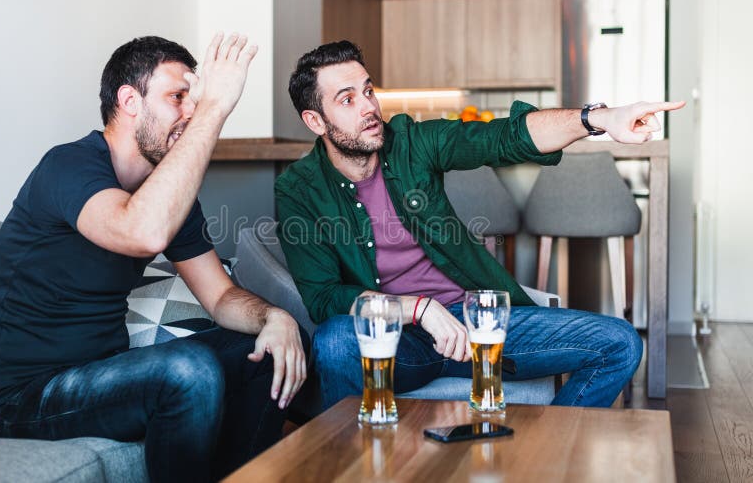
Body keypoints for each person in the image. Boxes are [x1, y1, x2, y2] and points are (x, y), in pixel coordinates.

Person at [0, 33, 307, 482]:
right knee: (188, 370)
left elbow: (221, 296)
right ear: (129, 100)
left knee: (273, 346)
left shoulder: (168, 194)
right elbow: (142, 231)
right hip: (20, 398)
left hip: (103, 372)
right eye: (178, 97)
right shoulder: (68, 166)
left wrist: (274, 318)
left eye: (195, 98)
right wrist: (213, 109)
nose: (190, 110)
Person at [276, 40, 684, 411]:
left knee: (621, 344)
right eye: (347, 100)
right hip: (402, 342)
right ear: (315, 120)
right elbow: (325, 299)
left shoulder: (412, 142)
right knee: (334, 341)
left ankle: (547, 455)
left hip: (480, 326)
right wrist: (417, 309)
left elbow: (504, 137)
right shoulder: (299, 190)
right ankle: (355, 466)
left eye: (368, 91)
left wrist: (599, 118)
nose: (368, 107)